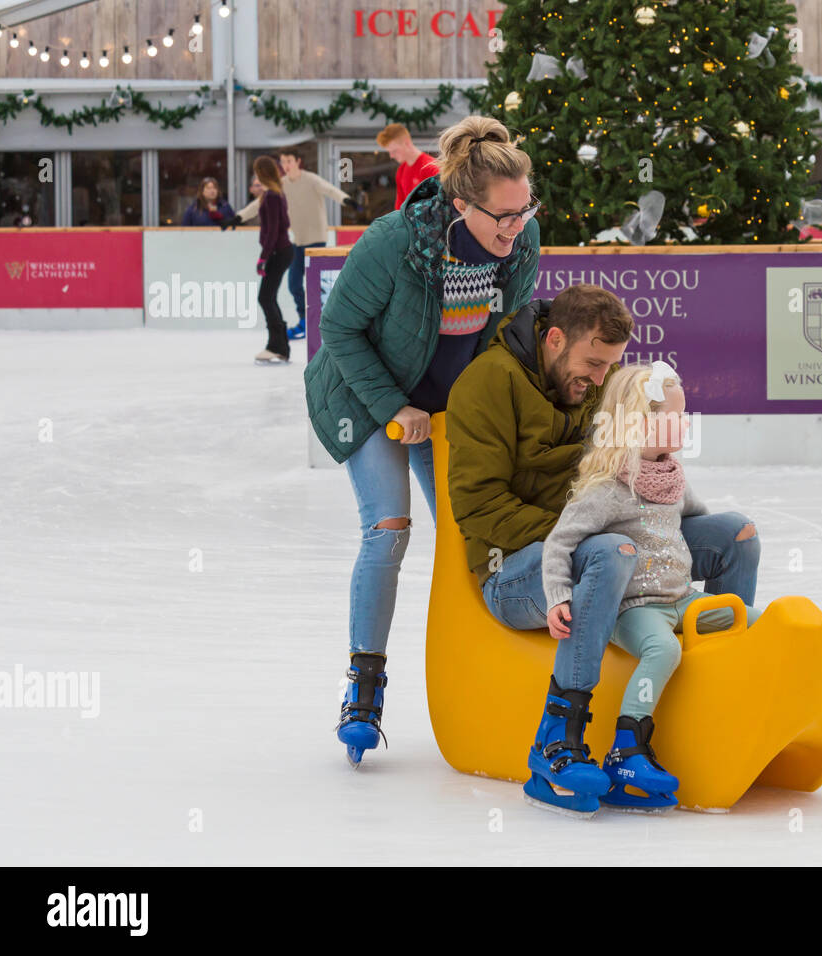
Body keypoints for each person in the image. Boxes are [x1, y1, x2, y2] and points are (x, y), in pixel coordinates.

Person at [445, 286, 760, 817]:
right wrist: (588, 529)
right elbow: (478, 507)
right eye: (593, 363)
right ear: (554, 339)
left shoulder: (595, 383)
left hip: (609, 538)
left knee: (734, 534)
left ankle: (720, 685)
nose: (599, 379)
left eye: (609, 366)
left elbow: (629, 461)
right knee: (610, 550)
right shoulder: (486, 385)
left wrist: (656, 517)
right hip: (517, 569)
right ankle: (557, 739)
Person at [303, 115, 541, 767]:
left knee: (476, 530)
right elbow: (339, 329)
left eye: (526, 211)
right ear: (462, 206)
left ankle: (492, 673)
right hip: (364, 394)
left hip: (446, 406)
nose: (517, 227)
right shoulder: (394, 243)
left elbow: (506, 332)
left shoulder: (521, 237)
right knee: (390, 529)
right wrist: (393, 408)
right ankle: (365, 688)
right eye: (504, 217)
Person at [539, 361, 762, 813]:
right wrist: (559, 596)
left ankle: (738, 720)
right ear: (637, 423)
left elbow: (697, 520)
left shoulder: (671, 478)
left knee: (751, 620)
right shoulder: (608, 488)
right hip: (635, 608)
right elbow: (559, 542)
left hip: (682, 598)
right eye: (675, 416)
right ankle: (628, 748)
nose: (685, 423)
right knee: (664, 650)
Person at [279, 147, 351, 340]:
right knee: (293, 284)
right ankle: (304, 321)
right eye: (283, 162)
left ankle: (322, 324)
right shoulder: (282, 184)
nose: (285, 166)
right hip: (298, 241)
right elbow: (263, 200)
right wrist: (238, 217)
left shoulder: (310, 179)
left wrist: (345, 199)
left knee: (317, 286)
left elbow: (329, 189)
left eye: (289, 161)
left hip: (317, 241)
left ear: (297, 162)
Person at [252, 156, 293, 366]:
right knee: (268, 297)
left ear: (262, 173)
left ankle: (278, 345)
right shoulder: (275, 194)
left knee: (266, 298)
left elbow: (274, 230)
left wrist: (263, 257)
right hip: (281, 252)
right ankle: (279, 345)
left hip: (279, 252)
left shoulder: (272, 197)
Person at [377, 123, 440, 212]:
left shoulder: (431, 167)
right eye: (389, 152)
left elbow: (442, 205)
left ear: (407, 143)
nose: (391, 156)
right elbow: (399, 210)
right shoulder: (401, 171)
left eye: (394, 151)